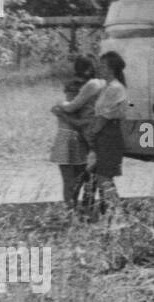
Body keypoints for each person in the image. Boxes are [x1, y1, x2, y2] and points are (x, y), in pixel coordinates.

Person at [50, 55, 105, 211]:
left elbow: (70, 112)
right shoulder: (99, 87)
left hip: (71, 138)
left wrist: (60, 107)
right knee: (87, 177)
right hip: (84, 138)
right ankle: (85, 208)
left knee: (71, 180)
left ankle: (72, 210)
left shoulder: (78, 100)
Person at [84, 51, 129, 218]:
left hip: (109, 134)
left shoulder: (115, 88)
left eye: (103, 66)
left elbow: (104, 117)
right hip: (104, 134)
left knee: (104, 177)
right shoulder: (108, 87)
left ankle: (118, 214)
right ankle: (113, 214)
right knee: (102, 177)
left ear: (111, 69)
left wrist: (92, 133)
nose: (99, 68)